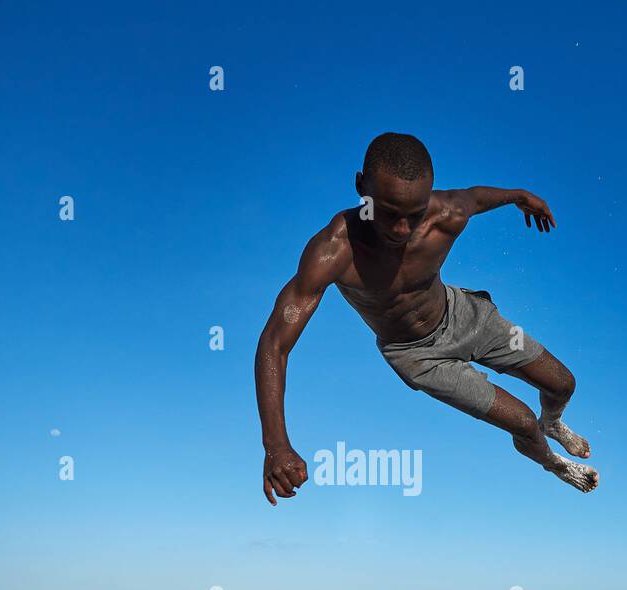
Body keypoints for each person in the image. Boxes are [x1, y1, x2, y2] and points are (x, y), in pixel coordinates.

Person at [256, 131, 598, 505]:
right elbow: (275, 344)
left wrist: (519, 197)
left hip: (466, 316)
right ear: (360, 186)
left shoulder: (446, 214)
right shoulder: (334, 251)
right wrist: (276, 445)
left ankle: (553, 422)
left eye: (413, 215)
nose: (401, 230)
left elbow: (477, 197)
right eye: (388, 214)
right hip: (417, 357)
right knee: (521, 423)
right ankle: (553, 462)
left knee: (563, 383)